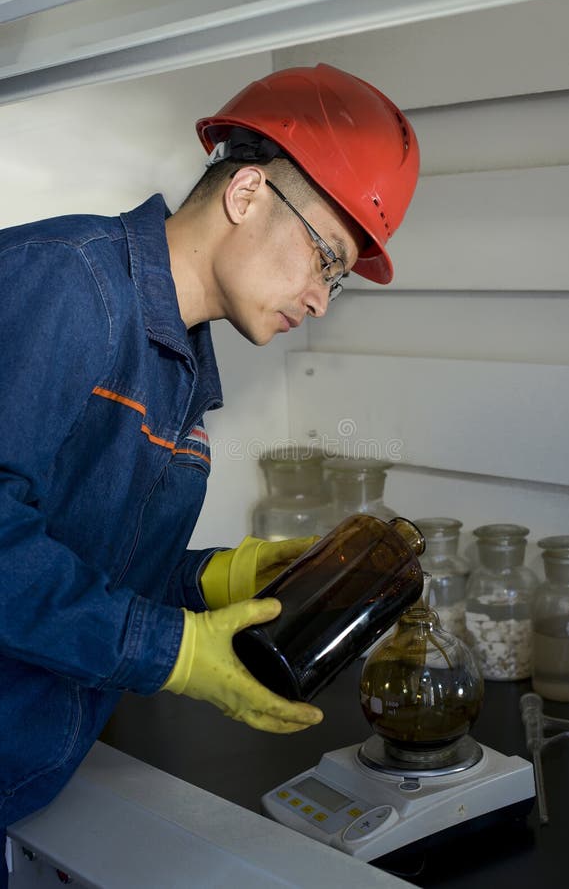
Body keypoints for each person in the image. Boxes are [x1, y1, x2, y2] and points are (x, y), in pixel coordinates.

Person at [0, 63, 419, 883]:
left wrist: (212, 581)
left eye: (335, 279)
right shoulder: (67, 282)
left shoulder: (180, 372)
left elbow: (87, 566)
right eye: (325, 259)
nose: (321, 299)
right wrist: (178, 651)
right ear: (248, 192)